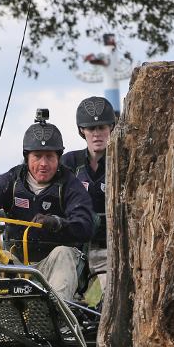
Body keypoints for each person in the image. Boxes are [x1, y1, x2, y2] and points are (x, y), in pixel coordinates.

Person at [0, 110, 93, 301]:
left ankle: (56, 315)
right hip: (15, 262)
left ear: (59, 157)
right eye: (37, 156)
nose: (43, 163)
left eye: (50, 157)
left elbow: (85, 225)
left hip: (54, 263)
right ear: (27, 157)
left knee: (63, 253)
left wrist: (56, 223)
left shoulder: (70, 184)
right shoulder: (12, 179)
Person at [61, 96, 116, 291]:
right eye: (91, 129)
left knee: (100, 299)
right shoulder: (69, 163)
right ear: (81, 131)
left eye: (101, 127)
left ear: (111, 127)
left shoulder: (125, 161)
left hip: (110, 250)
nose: (96, 134)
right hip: (74, 250)